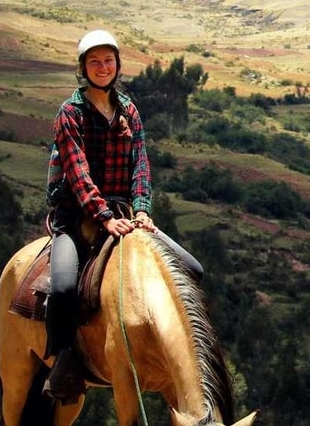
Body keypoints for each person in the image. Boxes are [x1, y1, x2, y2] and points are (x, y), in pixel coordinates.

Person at [43, 29, 204, 402]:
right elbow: (78, 172)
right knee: (65, 287)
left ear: (117, 65)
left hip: (126, 215)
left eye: (108, 61)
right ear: (83, 68)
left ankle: (187, 352)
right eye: (95, 62)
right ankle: (64, 360)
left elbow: (140, 166)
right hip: (76, 216)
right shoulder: (70, 113)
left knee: (192, 271)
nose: (103, 68)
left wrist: (143, 210)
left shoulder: (129, 110)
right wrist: (103, 217)